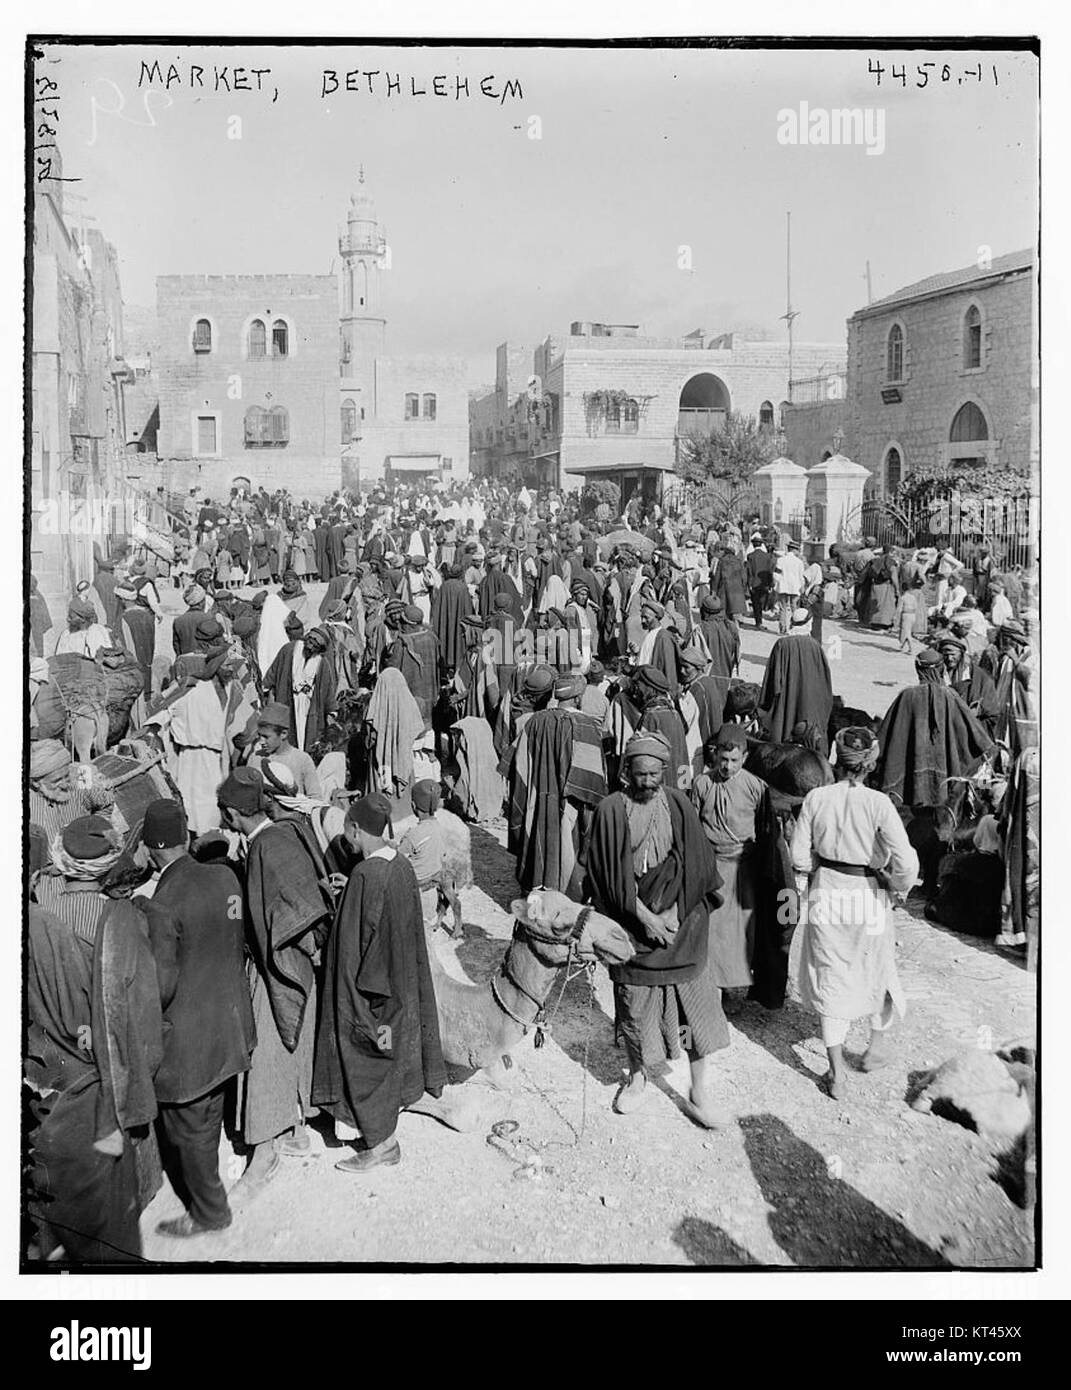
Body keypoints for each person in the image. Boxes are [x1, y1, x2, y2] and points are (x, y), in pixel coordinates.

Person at [583, 731, 729, 1127]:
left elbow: (698, 864)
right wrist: (645, 917)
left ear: (665, 770)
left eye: (654, 773)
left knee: (695, 1010)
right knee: (635, 1009)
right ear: (626, 771)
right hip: (632, 925)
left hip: (680, 928)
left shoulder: (678, 803)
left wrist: (676, 916)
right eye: (640, 773)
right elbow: (602, 875)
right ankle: (638, 1077)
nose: (648, 781)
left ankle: (699, 1091)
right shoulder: (612, 809)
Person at [217, 767, 335, 1200]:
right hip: (301, 962)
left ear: (233, 814)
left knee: (267, 1051)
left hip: (282, 965)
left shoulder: (268, 847)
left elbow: (290, 907)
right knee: (295, 1048)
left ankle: (264, 1150)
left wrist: (301, 949)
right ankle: (296, 1128)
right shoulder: (289, 829)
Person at [313, 793, 447, 1173]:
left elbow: (357, 938)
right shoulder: (399, 864)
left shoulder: (364, 875)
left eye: (347, 833)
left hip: (373, 988)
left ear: (356, 829)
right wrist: (349, 893)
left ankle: (381, 1143)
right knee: (389, 1047)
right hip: (399, 981)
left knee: (363, 1050)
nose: (347, 841)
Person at [141, 799, 255, 1238]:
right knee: (208, 1114)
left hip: (190, 1045)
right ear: (187, 837)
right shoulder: (225, 877)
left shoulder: (161, 904)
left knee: (186, 1128)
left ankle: (210, 1213)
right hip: (230, 1025)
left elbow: (161, 987)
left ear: (152, 851)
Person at [791, 727, 919, 1100]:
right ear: (870, 761)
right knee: (878, 967)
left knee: (831, 974)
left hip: (828, 891)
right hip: (868, 895)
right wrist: (899, 888)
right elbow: (907, 862)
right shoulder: (879, 804)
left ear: (836, 757)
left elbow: (799, 854)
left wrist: (808, 874)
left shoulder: (816, 798)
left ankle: (836, 1074)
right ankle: (875, 1044)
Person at [507, 671, 606, 896]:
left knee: (537, 841)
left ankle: (534, 889)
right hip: (568, 809)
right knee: (567, 852)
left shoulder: (533, 722)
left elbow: (518, 770)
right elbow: (590, 789)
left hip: (537, 802)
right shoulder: (587, 726)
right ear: (578, 697)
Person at [691, 725, 768, 993]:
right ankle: (712, 985)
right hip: (712, 868)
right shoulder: (702, 784)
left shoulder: (756, 787)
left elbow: (765, 829)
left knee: (740, 929)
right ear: (715, 755)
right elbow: (693, 825)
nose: (727, 766)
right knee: (712, 928)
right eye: (723, 759)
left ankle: (737, 984)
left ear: (745, 758)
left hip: (742, 869)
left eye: (734, 761)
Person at [758, 608, 834, 753]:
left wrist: (765, 706)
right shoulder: (815, 646)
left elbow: (772, 680)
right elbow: (824, 683)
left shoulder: (782, 645)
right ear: (808, 623)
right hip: (809, 706)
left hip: (787, 704)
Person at [263, 625, 338, 753]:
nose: (310, 647)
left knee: (306, 741)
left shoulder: (322, 663)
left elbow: (327, 690)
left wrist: (331, 712)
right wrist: (267, 690)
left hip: (308, 707)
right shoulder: (289, 650)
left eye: (315, 646)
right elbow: (273, 672)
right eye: (310, 642)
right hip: (287, 701)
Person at [398, 779, 448, 928]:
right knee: (426, 936)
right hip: (431, 892)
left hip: (414, 894)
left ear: (413, 805)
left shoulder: (413, 835)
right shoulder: (440, 829)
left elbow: (397, 859)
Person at [772, 541, 806, 635]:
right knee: (794, 607)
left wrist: (777, 584)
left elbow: (776, 574)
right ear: (795, 550)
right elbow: (801, 576)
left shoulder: (781, 560)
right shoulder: (799, 562)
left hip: (783, 587)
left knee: (782, 608)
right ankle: (794, 627)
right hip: (795, 587)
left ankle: (782, 629)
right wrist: (802, 587)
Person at [745, 536, 773, 630]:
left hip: (754, 583)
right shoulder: (767, 556)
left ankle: (758, 622)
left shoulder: (750, 556)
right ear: (761, 545)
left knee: (755, 603)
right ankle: (760, 621)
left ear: (753, 545)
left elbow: (749, 571)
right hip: (764, 583)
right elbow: (770, 571)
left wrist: (749, 584)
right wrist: (770, 584)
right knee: (761, 602)